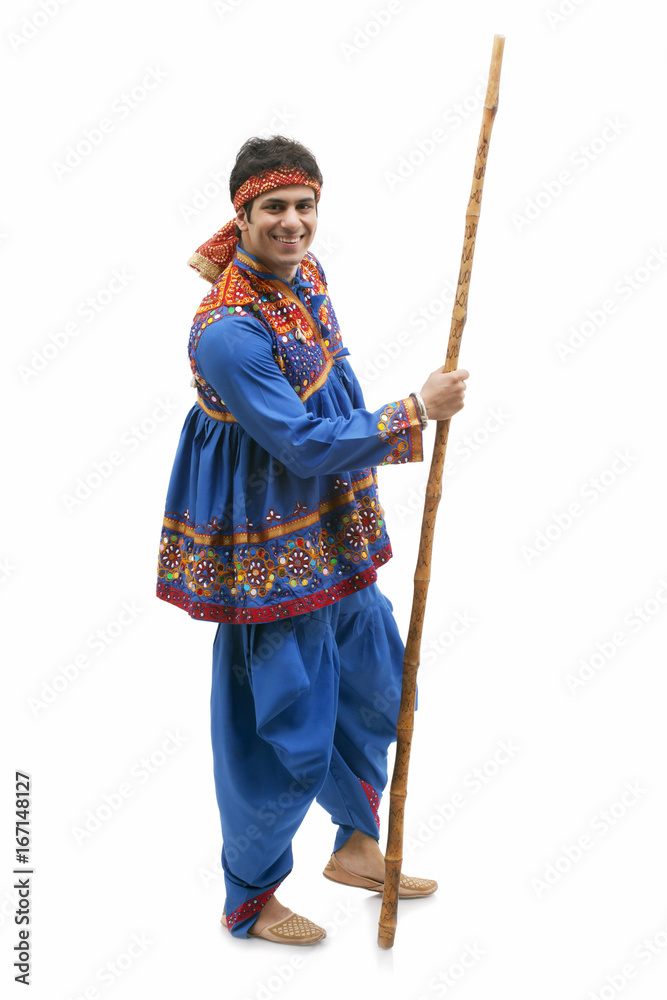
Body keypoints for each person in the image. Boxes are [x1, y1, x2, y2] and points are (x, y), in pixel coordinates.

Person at [156, 135, 469, 945]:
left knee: (374, 682)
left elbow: (325, 391)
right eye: (274, 209)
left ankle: (358, 844)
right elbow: (294, 441)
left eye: (304, 207)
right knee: (283, 720)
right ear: (243, 214)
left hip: (333, 522)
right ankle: (250, 899)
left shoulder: (305, 277)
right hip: (267, 540)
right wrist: (412, 412)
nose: (292, 223)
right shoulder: (229, 332)